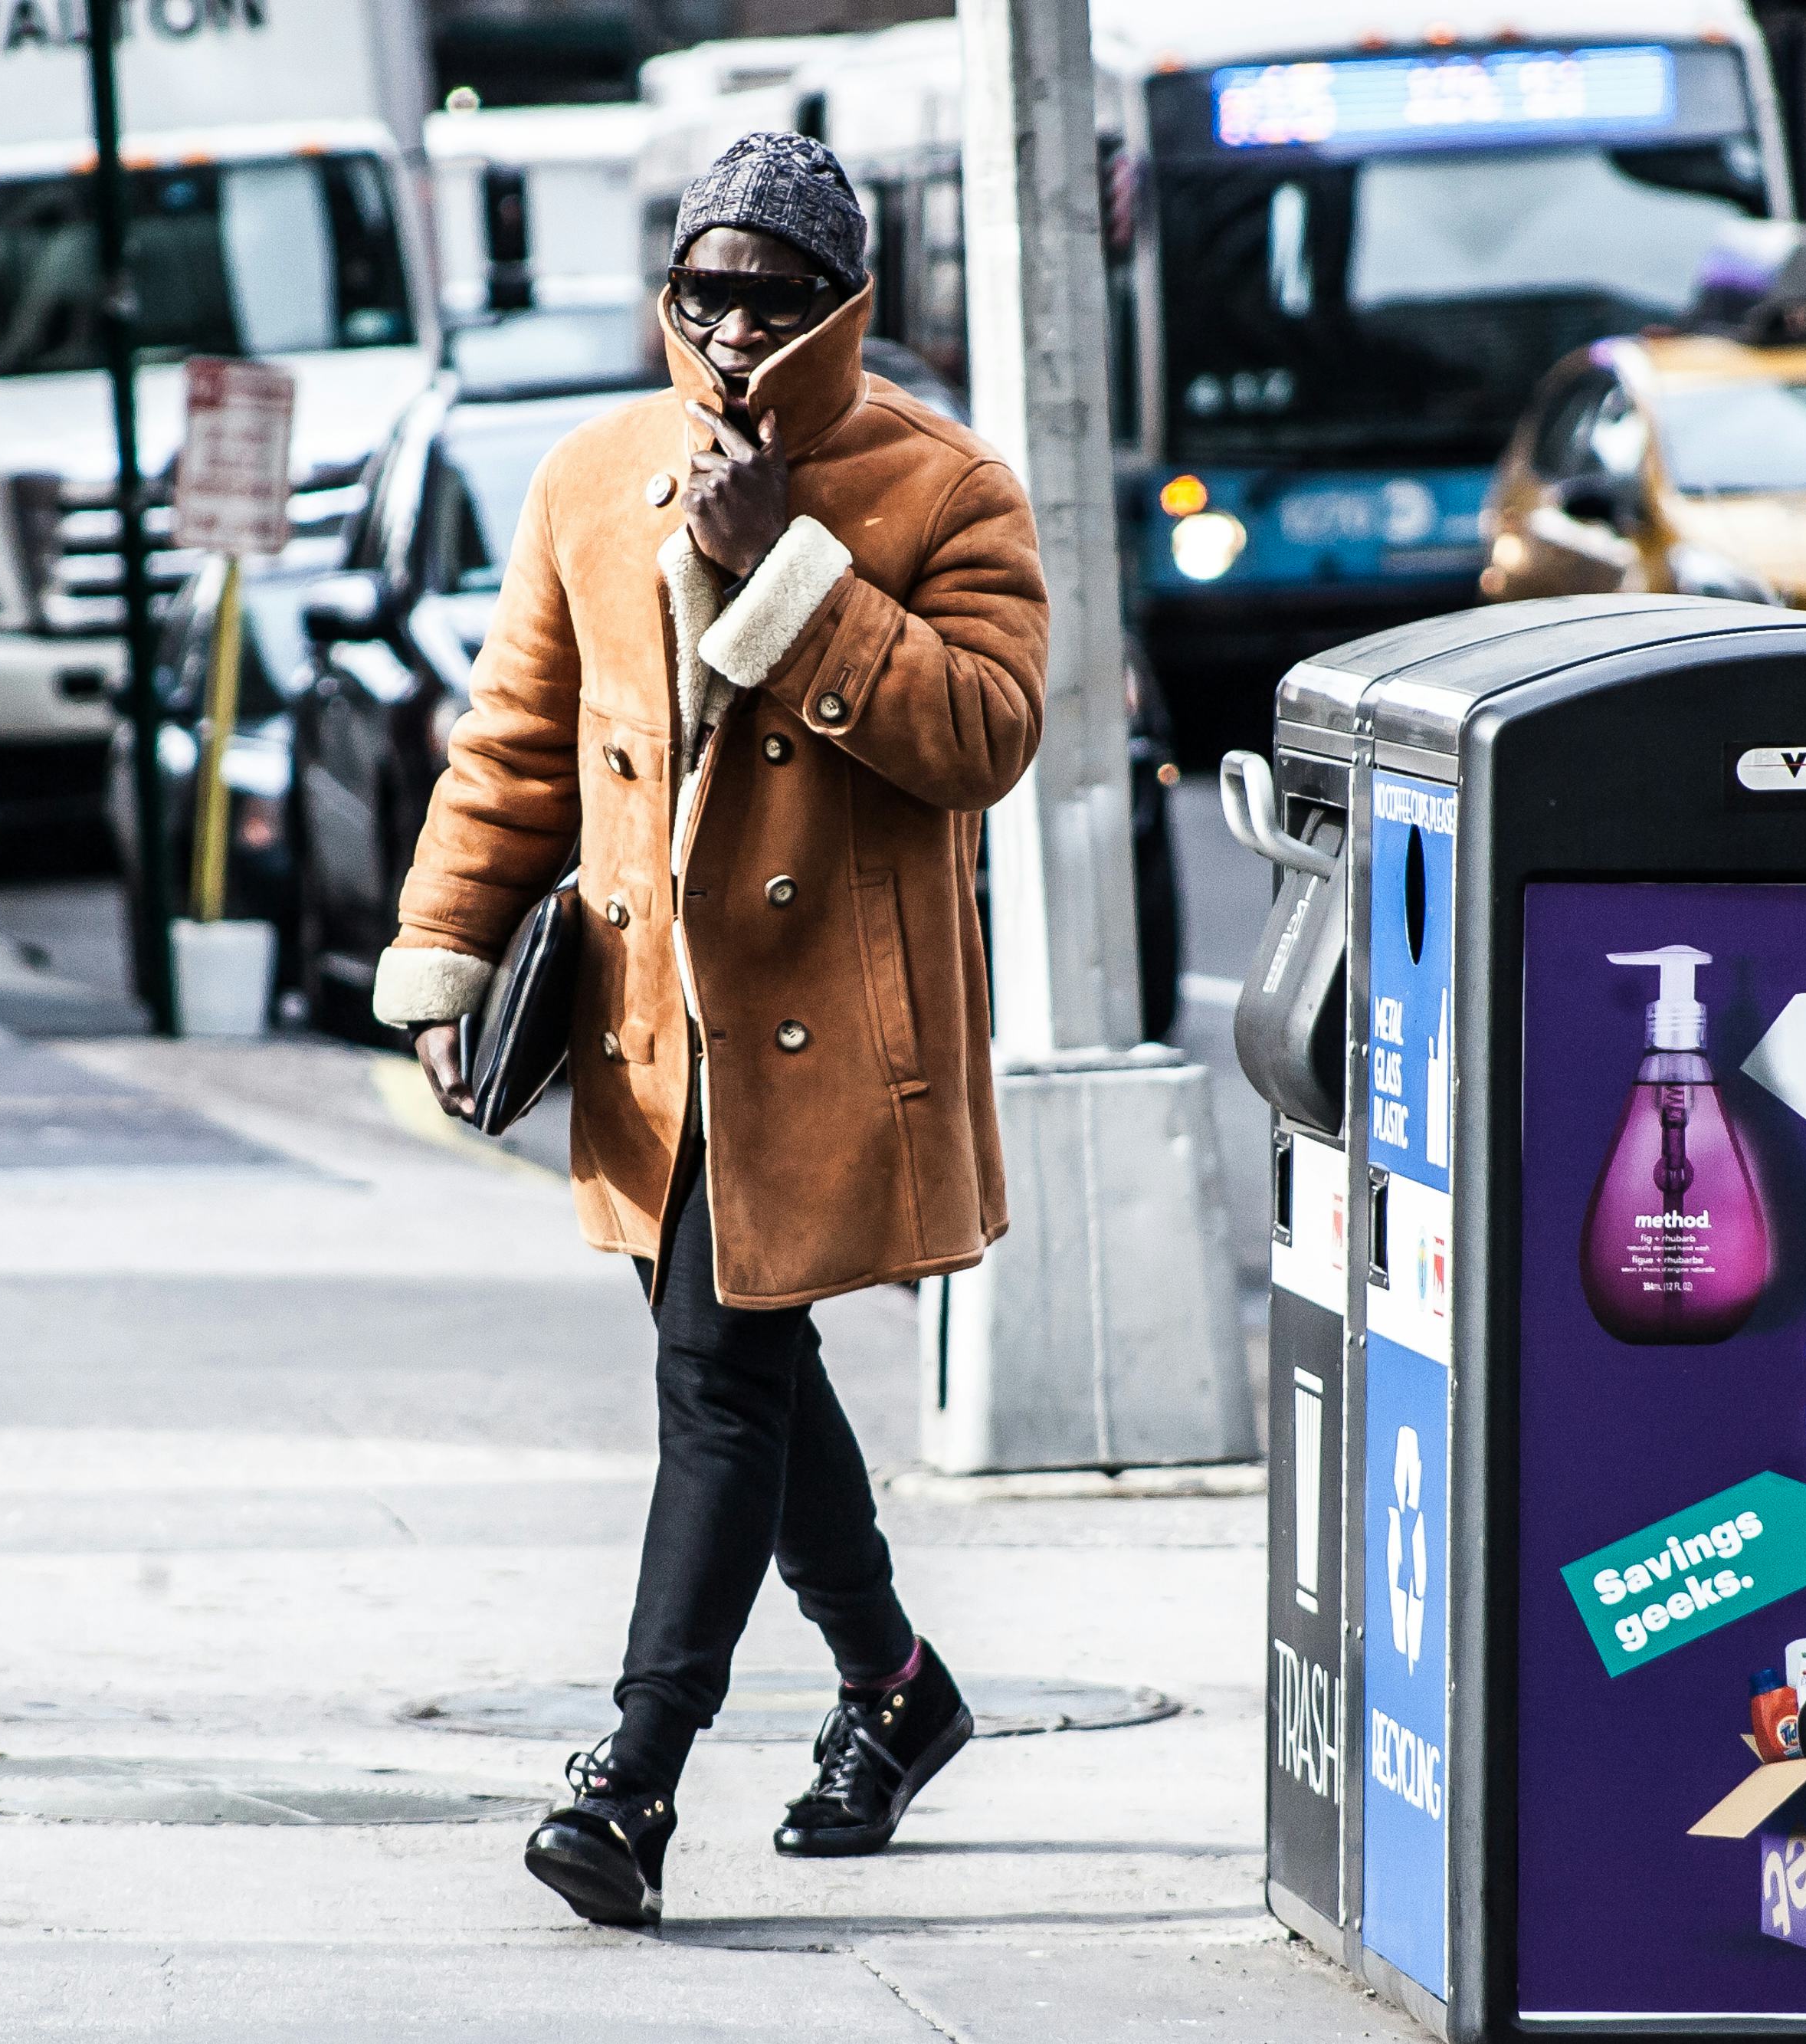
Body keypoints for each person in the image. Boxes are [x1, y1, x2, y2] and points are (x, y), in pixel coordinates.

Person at [372, 131, 1048, 1928]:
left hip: (833, 1029)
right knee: (749, 1368)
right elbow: (514, 744)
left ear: (842, 302)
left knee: (719, 1378)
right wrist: (443, 946)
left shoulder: (941, 481)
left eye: (772, 293)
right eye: (705, 290)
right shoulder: (592, 475)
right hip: (652, 1031)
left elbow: (985, 732)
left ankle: (633, 1775)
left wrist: (793, 583)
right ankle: (895, 1692)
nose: (734, 329)